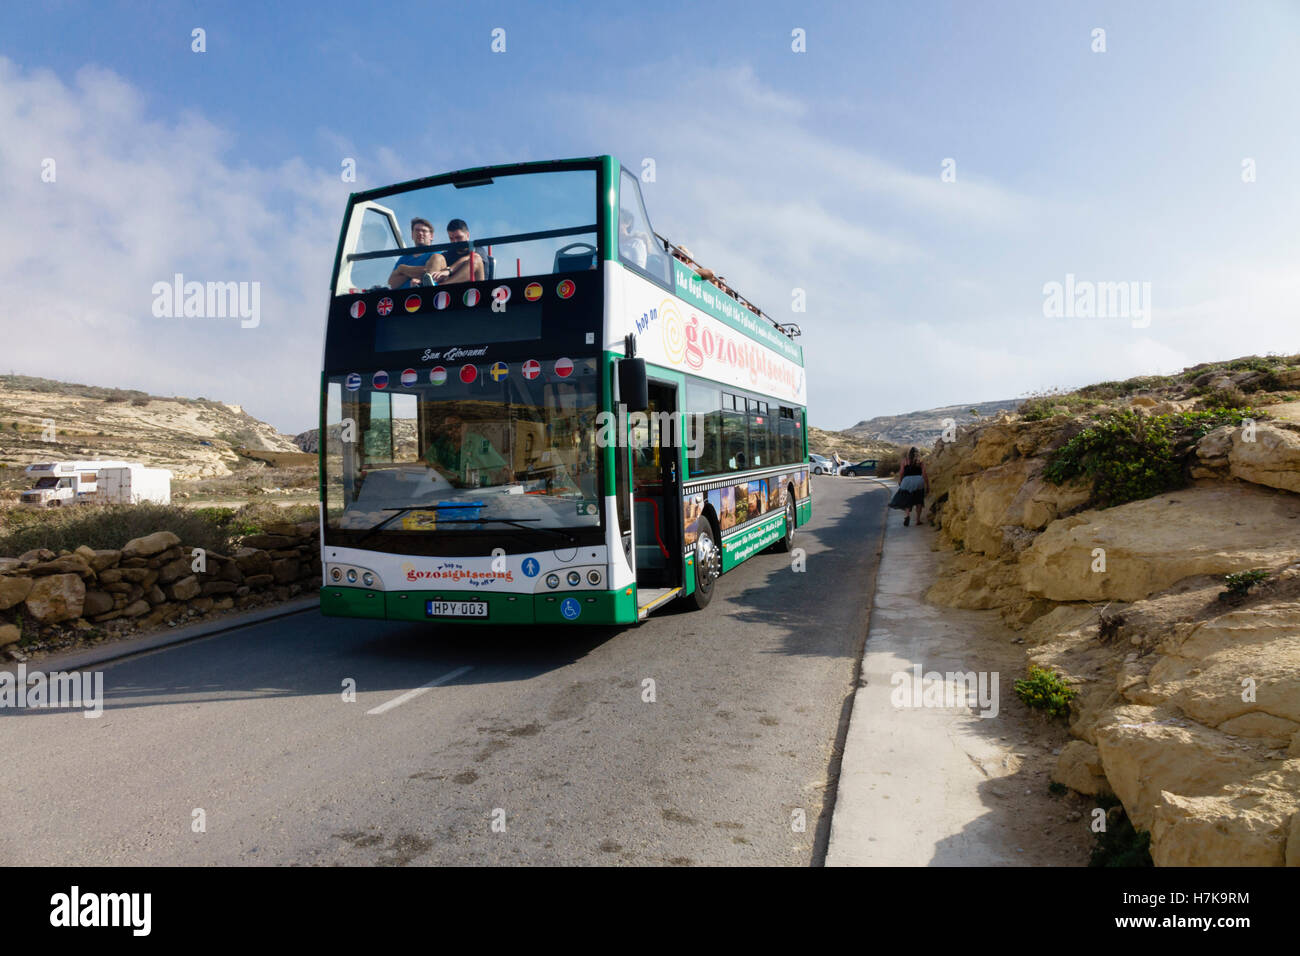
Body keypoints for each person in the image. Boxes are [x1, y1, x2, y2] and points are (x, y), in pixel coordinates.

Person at [387, 218, 447, 289]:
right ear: (412, 235)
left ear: (431, 236)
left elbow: (434, 273)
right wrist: (423, 271)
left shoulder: (439, 255)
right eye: (417, 230)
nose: (420, 233)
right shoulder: (403, 258)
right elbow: (392, 284)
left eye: (424, 231)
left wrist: (402, 270)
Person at [889, 447, 929, 526]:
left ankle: (907, 516)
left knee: (907, 499)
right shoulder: (920, 462)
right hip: (918, 481)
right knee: (919, 501)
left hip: (907, 481)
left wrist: (900, 480)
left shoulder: (905, 461)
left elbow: (901, 472)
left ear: (909, 453)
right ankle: (918, 520)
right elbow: (924, 474)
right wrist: (927, 485)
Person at [438, 218, 486, 284]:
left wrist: (449, 270)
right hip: (449, 292)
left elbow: (470, 257)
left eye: (458, 237)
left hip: (476, 291)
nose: (455, 241)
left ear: (467, 235)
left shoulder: (478, 249)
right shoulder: (449, 253)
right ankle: (431, 283)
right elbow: (426, 267)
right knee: (437, 257)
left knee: (475, 258)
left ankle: (442, 286)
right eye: (451, 238)